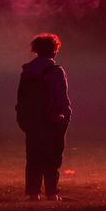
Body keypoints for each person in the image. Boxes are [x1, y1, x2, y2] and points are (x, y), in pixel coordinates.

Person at [16, 33, 72, 201]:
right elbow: (62, 97)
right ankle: (51, 192)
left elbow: (21, 96)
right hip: (53, 119)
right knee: (52, 156)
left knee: (33, 155)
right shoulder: (56, 71)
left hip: (32, 120)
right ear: (54, 50)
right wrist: (66, 115)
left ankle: (33, 193)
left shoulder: (27, 71)